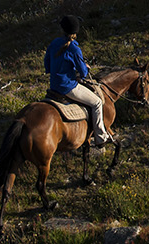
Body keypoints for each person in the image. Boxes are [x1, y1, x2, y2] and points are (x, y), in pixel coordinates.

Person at [45, 15, 113, 146]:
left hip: (54, 85)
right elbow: (83, 72)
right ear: (76, 32)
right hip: (68, 86)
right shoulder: (74, 49)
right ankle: (101, 137)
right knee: (97, 103)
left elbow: (47, 63)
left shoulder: (54, 43)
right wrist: (84, 70)